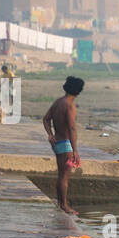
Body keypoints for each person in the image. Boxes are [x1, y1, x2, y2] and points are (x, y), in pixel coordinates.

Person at [41, 76, 83, 214]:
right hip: (66, 144)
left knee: (61, 175)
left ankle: (60, 203)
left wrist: (50, 134)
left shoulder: (58, 102)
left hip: (58, 143)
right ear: (78, 91)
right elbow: (71, 129)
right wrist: (75, 150)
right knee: (64, 177)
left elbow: (46, 119)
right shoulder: (69, 105)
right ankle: (64, 205)